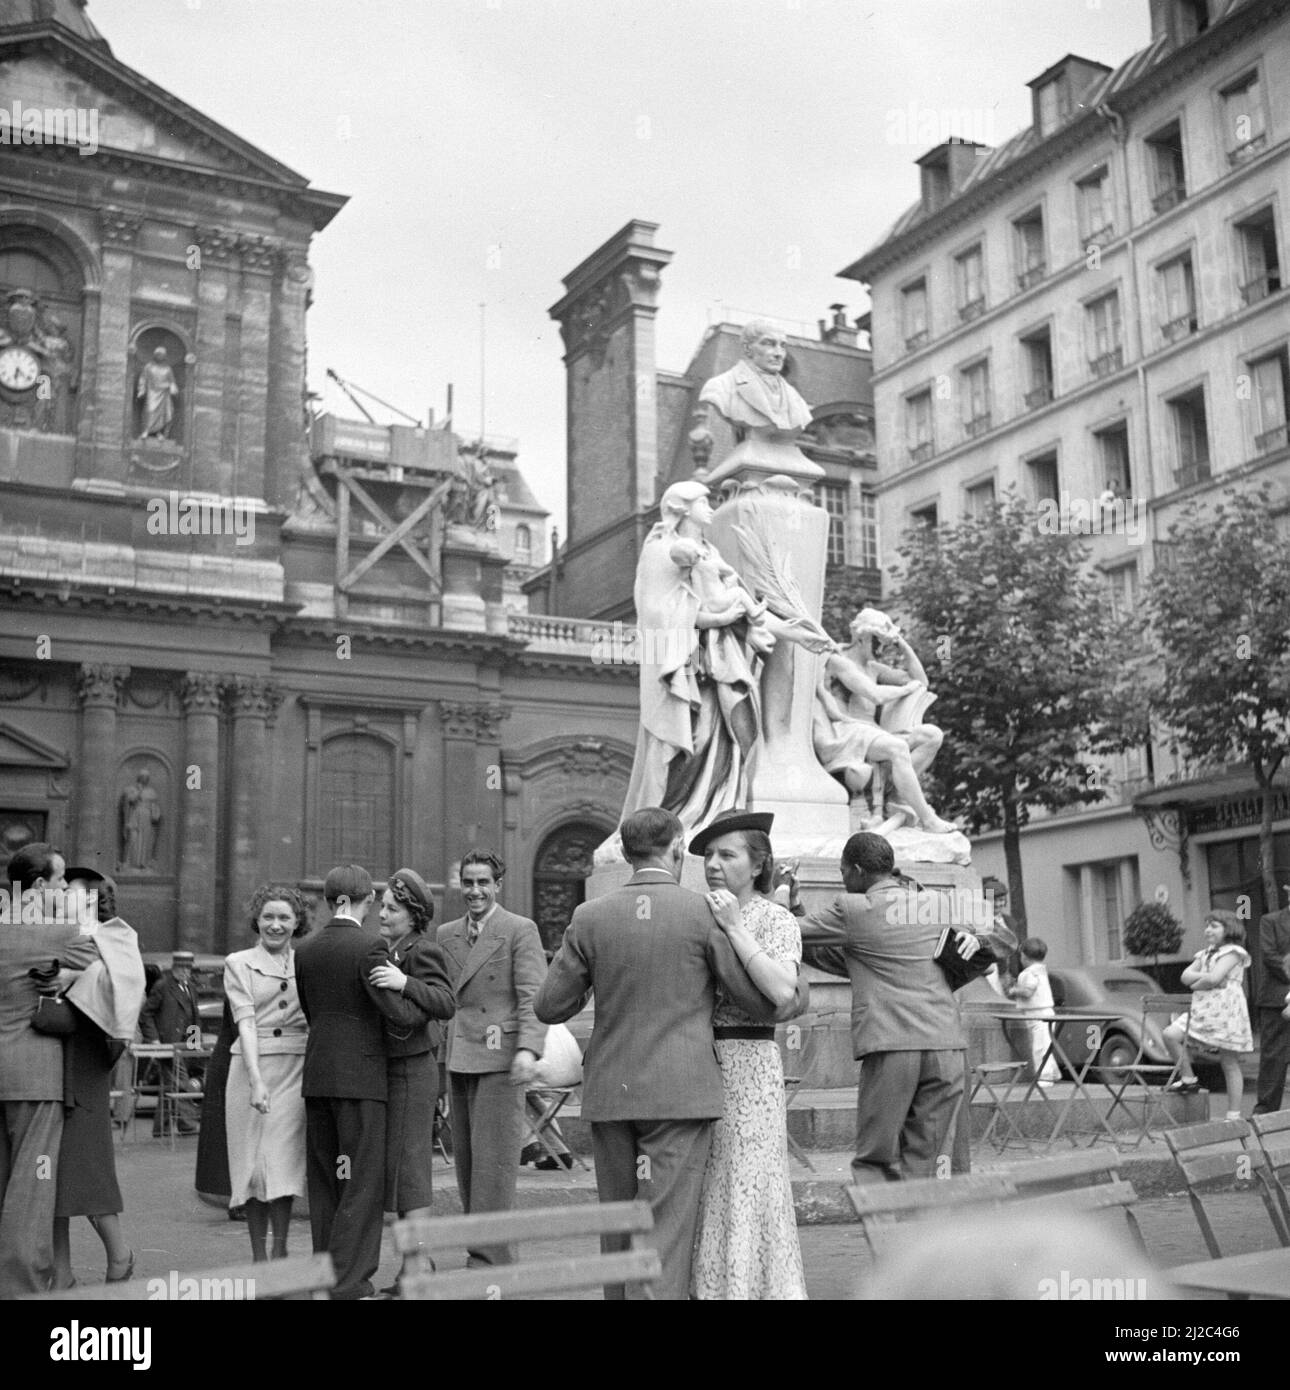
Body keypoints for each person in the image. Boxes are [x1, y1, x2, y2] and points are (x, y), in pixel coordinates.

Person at [535, 807, 807, 1301]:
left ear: (623, 851)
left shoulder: (588, 915)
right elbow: (755, 1000)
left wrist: (597, 984)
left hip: (611, 1091)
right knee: (664, 1228)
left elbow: (549, 1005)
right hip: (680, 1092)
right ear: (678, 849)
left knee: (617, 1222)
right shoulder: (701, 913)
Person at [790, 831, 974, 1183]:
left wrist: (782, 899)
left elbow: (789, 933)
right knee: (930, 1157)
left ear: (857, 870)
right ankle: (925, 1233)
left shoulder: (854, 909)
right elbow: (990, 936)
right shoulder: (933, 904)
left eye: (843, 872)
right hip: (947, 1045)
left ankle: (887, 1233)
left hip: (893, 1044)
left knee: (878, 1157)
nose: (843, 881)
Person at [293, 864, 424, 1300]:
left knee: (326, 1181)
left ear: (332, 900)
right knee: (361, 1186)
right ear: (361, 901)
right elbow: (400, 1014)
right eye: (372, 902)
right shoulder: (370, 948)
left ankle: (323, 1276)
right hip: (362, 1080)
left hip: (318, 1077)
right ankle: (350, 1283)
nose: (375, 910)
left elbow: (313, 1012)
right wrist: (424, 1000)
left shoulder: (305, 949)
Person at [691, 809, 806, 1300]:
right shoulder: (694, 912)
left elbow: (783, 991)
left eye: (727, 854)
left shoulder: (774, 918)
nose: (714, 864)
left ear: (758, 865)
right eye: (709, 855)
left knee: (747, 1178)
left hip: (751, 1065)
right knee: (709, 1180)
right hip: (696, 1060)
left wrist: (736, 929)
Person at [618, 480, 771, 833]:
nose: (711, 508)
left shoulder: (710, 552)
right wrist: (718, 618)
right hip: (681, 664)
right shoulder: (661, 550)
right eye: (704, 501)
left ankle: (709, 813)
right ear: (682, 507)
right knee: (689, 742)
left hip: (716, 660)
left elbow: (729, 594)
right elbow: (658, 612)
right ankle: (667, 819)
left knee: (722, 737)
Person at [437, 851, 546, 1267]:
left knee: (495, 1165)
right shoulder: (446, 934)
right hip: (460, 1056)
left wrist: (527, 1048)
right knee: (466, 1162)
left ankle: (491, 1257)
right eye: (468, 882)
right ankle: (480, 1247)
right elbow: (446, 998)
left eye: (483, 882)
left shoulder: (520, 929)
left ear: (497, 884)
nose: (475, 891)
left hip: (502, 1060)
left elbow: (532, 996)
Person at [0, 843, 98, 1296]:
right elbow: (115, 957)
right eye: (59, 880)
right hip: (35, 1072)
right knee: (31, 1186)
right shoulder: (57, 933)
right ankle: (22, 1285)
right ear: (39, 886)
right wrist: (71, 976)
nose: (63, 888)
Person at [52, 869, 144, 1289]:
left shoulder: (116, 935)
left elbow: (125, 989)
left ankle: (119, 1255)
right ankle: (62, 1272)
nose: (61, 898)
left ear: (93, 899)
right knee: (49, 1175)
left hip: (86, 1059)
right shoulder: (51, 933)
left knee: (89, 1166)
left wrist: (75, 977)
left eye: (71, 893)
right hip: (50, 1056)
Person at [367, 868, 455, 1290]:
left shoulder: (421, 951)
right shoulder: (390, 948)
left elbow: (445, 1002)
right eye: (382, 906)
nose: (382, 914)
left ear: (414, 914)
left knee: (412, 1172)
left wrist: (404, 982)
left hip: (413, 1072)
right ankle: (412, 1268)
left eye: (392, 908)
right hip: (394, 1070)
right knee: (401, 1173)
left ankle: (418, 1271)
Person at [223, 885, 312, 1263]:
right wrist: (256, 1079)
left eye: (284, 918)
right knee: (251, 1166)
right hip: (250, 1067)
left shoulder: (307, 961)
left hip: (296, 1067)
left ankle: (280, 1249)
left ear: (297, 923)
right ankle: (260, 1257)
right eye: (268, 917)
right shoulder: (238, 962)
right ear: (257, 921)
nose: (275, 925)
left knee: (282, 1161)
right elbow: (244, 1022)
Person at [1163, 910, 1254, 1120]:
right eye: (1207, 926)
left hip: (1227, 1011)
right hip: (1203, 1010)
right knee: (1170, 1034)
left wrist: (1200, 981)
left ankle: (1233, 1114)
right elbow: (1186, 976)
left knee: (1229, 1062)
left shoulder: (1234, 952)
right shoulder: (1205, 954)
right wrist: (1201, 980)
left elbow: (1215, 978)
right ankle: (1188, 1077)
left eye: (1214, 926)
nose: (1208, 930)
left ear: (1229, 928)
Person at [139, 948, 202, 1135]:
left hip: (185, 1045)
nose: (185, 972)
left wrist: (194, 1043)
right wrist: (154, 1039)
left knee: (170, 1085)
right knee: (180, 1082)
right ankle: (187, 1124)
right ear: (174, 968)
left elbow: (193, 1016)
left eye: (188, 969)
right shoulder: (163, 986)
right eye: (181, 968)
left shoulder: (190, 987)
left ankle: (162, 1128)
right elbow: (146, 1014)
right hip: (167, 1045)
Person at [1254, 886, 1290, 1115]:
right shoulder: (1270, 921)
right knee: (1273, 1058)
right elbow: (1270, 956)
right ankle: (1265, 1114)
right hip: (1277, 999)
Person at [1007, 937, 1061, 1086]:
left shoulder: (1029, 973)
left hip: (1038, 1014)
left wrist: (1014, 990)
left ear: (1023, 956)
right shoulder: (1041, 970)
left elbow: (1028, 991)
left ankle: (1045, 1077)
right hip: (1042, 1013)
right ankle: (1053, 1072)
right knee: (1044, 1044)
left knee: (1040, 1047)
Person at [136, 345, 178, 438]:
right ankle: (146, 430)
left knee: (163, 414)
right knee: (150, 410)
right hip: (152, 392)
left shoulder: (167, 369)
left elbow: (172, 381)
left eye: (162, 355)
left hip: (164, 393)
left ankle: (159, 432)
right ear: (155, 355)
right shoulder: (149, 367)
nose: (160, 356)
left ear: (164, 356)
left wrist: (173, 387)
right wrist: (141, 390)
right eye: (158, 354)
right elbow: (143, 378)